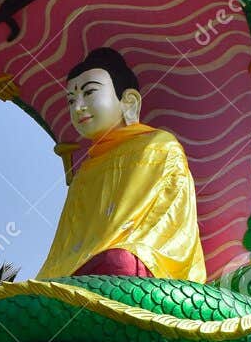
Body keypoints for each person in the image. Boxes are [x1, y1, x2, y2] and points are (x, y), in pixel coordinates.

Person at [36, 47, 206, 281]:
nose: (78, 108)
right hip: (83, 265)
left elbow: (166, 226)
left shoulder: (159, 146)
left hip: (145, 259)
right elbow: (66, 247)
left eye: (89, 93)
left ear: (129, 102)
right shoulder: (85, 171)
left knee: (118, 261)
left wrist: (116, 252)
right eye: (71, 100)